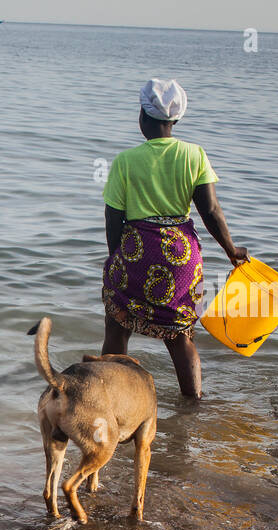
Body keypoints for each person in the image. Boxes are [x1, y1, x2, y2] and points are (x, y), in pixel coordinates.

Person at [101, 78, 248, 399]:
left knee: (117, 322)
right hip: (180, 256)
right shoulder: (194, 155)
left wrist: (116, 259)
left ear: (142, 116)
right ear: (176, 119)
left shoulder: (126, 161)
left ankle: (111, 396)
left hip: (136, 252)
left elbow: (114, 218)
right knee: (180, 336)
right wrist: (231, 250)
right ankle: (192, 406)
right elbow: (210, 210)